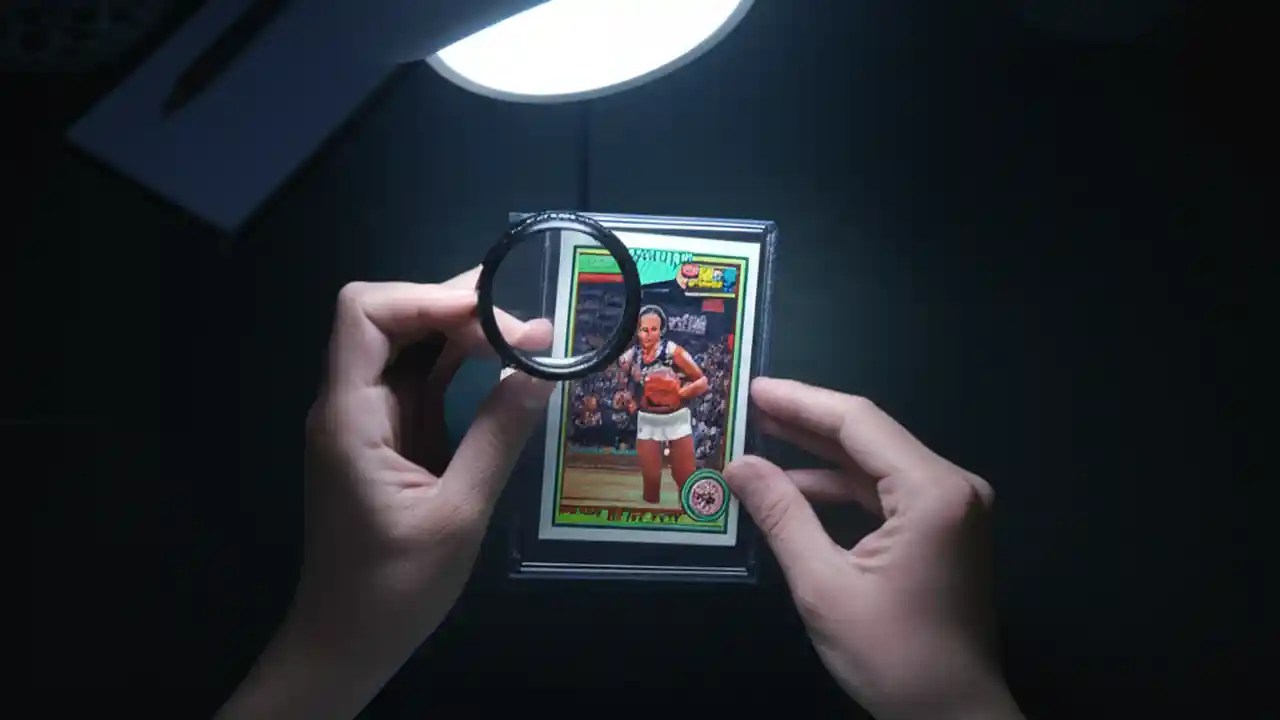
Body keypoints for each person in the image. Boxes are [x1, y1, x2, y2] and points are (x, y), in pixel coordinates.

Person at [213, 271, 1024, 720]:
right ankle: (665, 509)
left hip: (680, 425)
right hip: (647, 425)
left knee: (674, 482)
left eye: (644, 334)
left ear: (653, 327)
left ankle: (678, 510)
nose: (641, 338)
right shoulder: (637, 356)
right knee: (648, 482)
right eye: (636, 337)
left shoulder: (672, 348)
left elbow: (703, 377)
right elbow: (631, 379)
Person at [616, 304, 709, 503]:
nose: (649, 334)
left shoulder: (674, 352)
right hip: (648, 419)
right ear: (638, 331)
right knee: (650, 480)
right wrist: (628, 399)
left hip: (676, 417)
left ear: (661, 329)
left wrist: (681, 392)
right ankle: (648, 528)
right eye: (644, 330)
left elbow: (702, 381)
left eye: (654, 330)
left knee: (685, 476)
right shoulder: (629, 358)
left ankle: (692, 522)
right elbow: (622, 385)